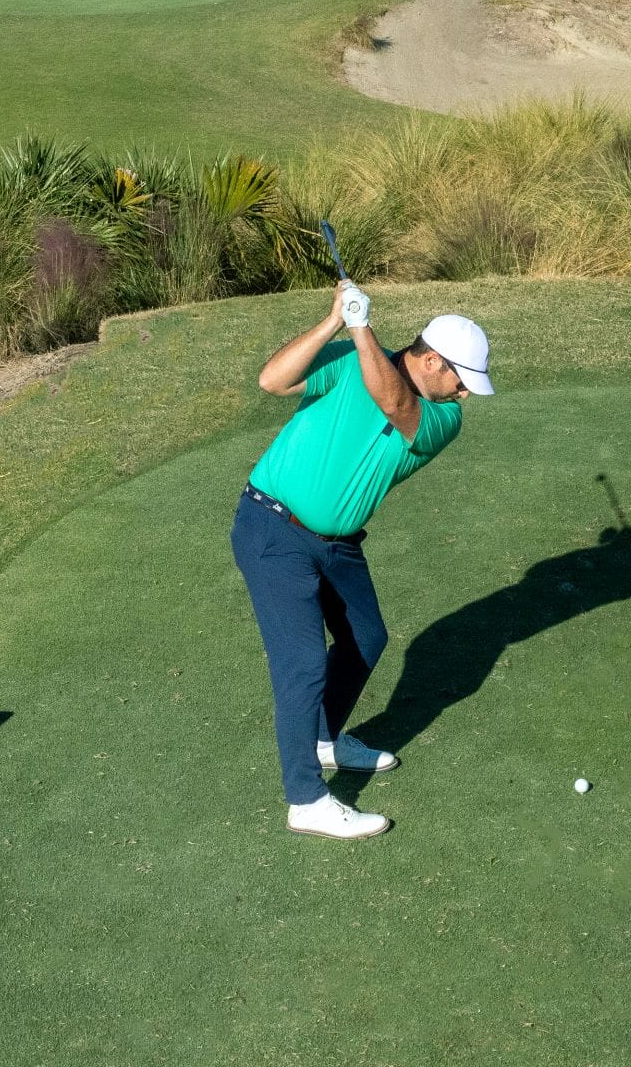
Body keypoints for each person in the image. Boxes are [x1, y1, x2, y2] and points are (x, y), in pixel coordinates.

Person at [232, 279, 493, 840]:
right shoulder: (349, 358)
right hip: (272, 528)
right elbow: (271, 380)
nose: (466, 393)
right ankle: (305, 799)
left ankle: (325, 738)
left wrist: (361, 327)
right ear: (430, 359)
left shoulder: (442, 420)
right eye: (462, 379)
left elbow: (394, 400)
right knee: (301, 665)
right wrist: (334, 321)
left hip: (338, 546)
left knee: (366, 638)